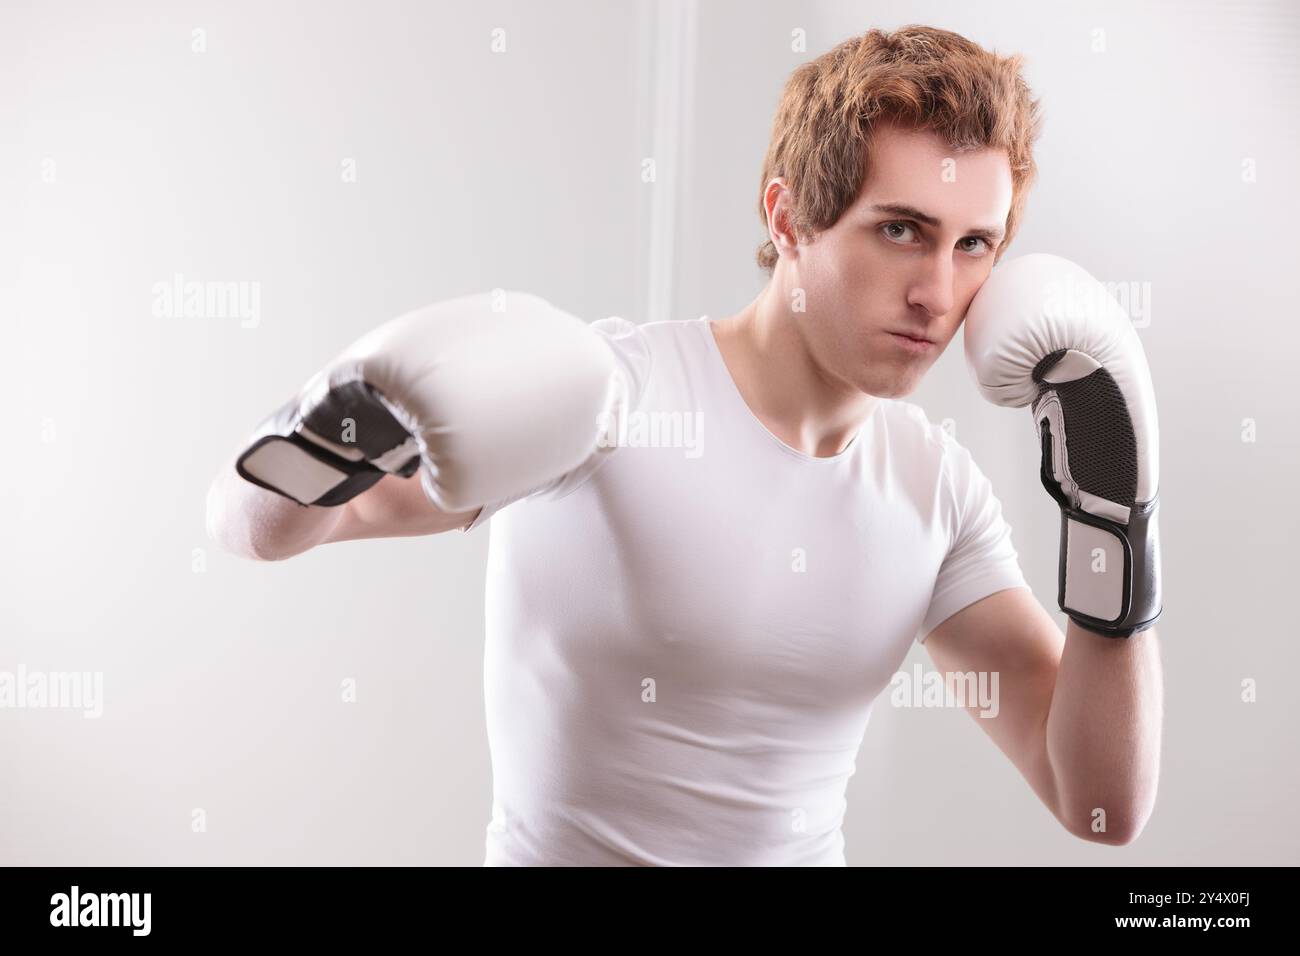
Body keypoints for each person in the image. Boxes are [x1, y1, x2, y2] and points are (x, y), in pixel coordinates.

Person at [206, 25, 1163, 866]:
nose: (938, 292)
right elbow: (263, 531)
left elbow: (1100, 803)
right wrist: (346, 417)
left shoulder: (937, 489)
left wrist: (1111, 521)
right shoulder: (605, 401)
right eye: (902, 230)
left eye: (973, 245)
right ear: (789, 217)